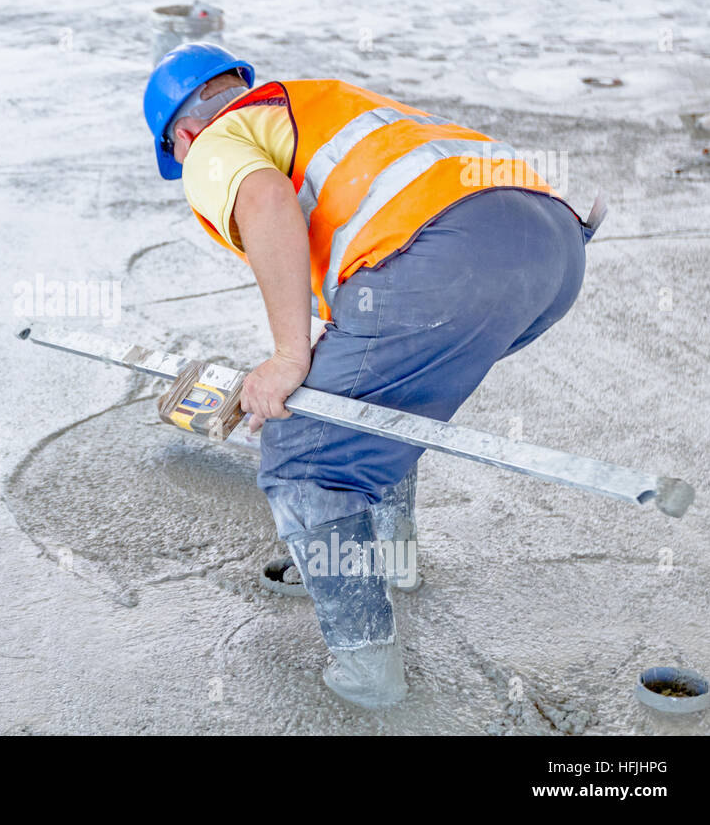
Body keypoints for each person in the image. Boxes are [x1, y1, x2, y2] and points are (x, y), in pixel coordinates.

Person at [142, 42, 599, 707]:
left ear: (182, 135)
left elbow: (266, 202)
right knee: (376, 395)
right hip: (554, 250)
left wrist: (289, 354)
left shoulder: (215, 139)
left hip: (448, 259)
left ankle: (367, 671)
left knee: (303, 455)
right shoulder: (316, 104)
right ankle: (392, 559)